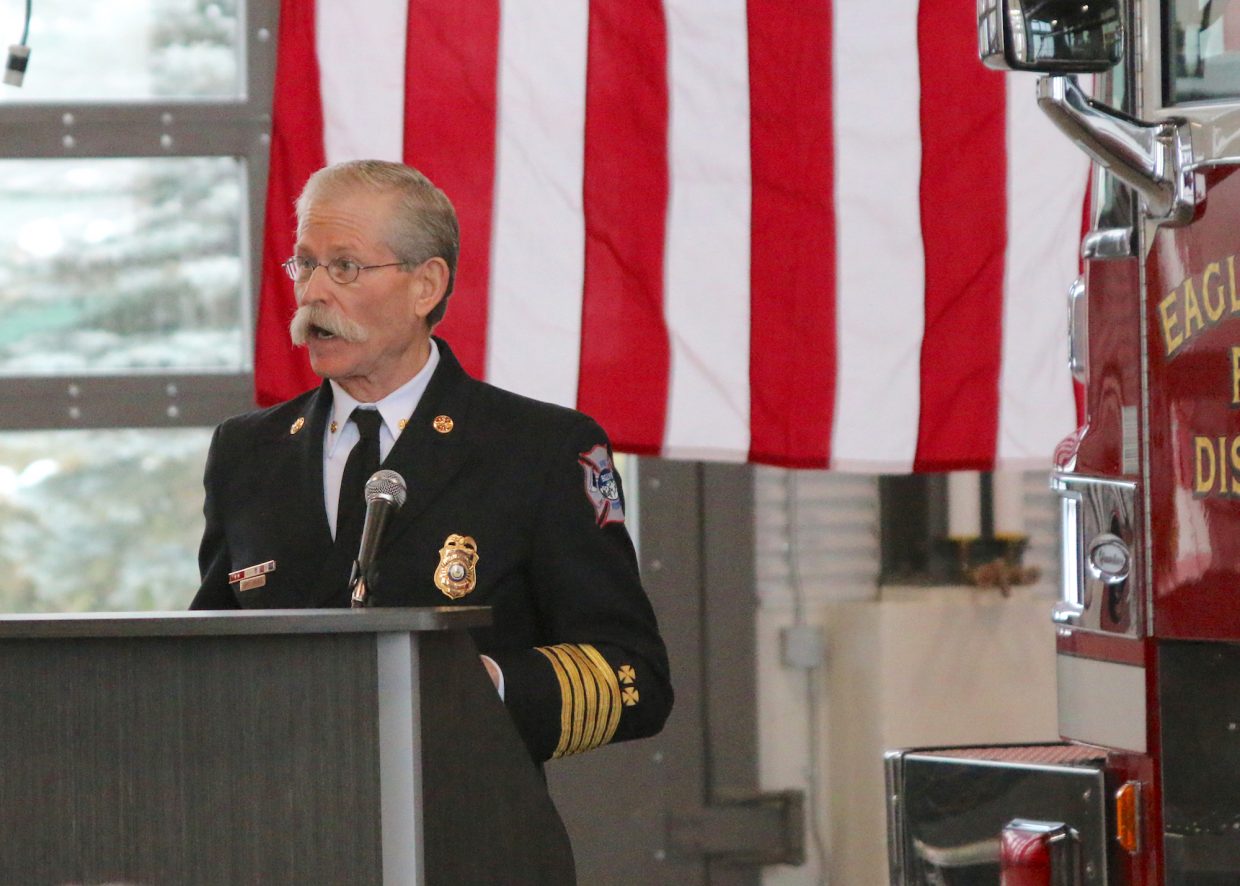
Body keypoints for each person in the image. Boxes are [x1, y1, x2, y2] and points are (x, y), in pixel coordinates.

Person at [191, 159, 672, 763]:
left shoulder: (540, 448)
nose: (311, 293)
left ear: (426, 285)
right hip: (286, 809)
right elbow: (204, 659)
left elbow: (634, 674)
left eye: (345, 267)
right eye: (305, 264)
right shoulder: (246, 452)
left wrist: (482, 688)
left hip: (458, 808)